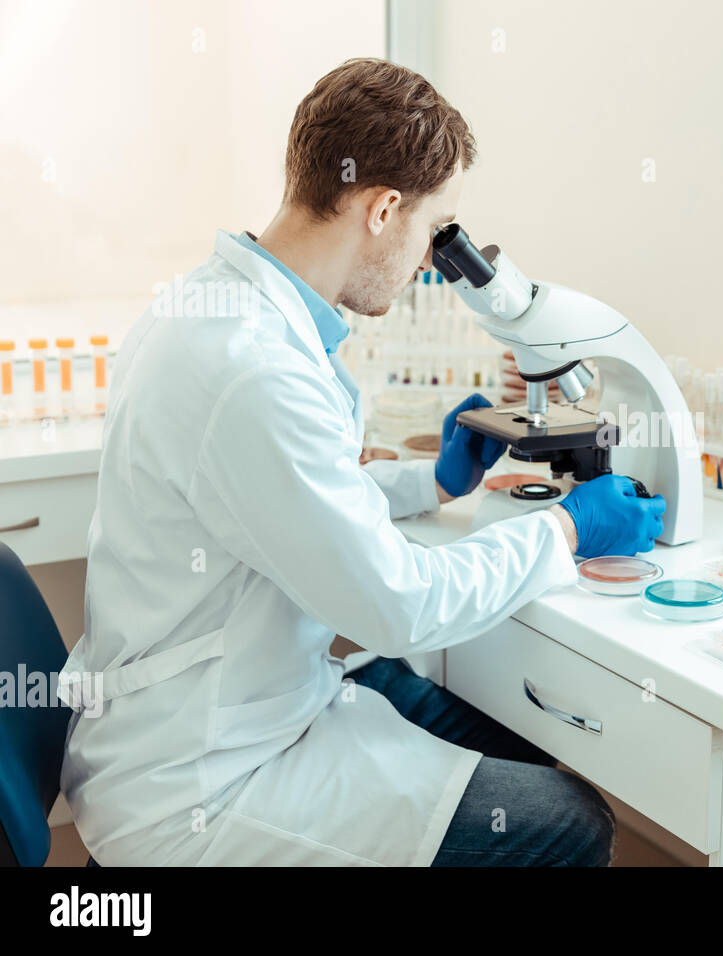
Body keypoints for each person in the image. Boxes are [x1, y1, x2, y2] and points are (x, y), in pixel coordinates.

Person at [57, 57, 665, 867]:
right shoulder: (253, 368)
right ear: (383, 208)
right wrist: (567, 528)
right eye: (433, 229)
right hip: (202, 779)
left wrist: (433, 482)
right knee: (569, 821)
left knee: (503, 734)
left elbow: (278, 497)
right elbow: (399, 605)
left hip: (241, 702)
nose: (429, 262)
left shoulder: (211, 307)